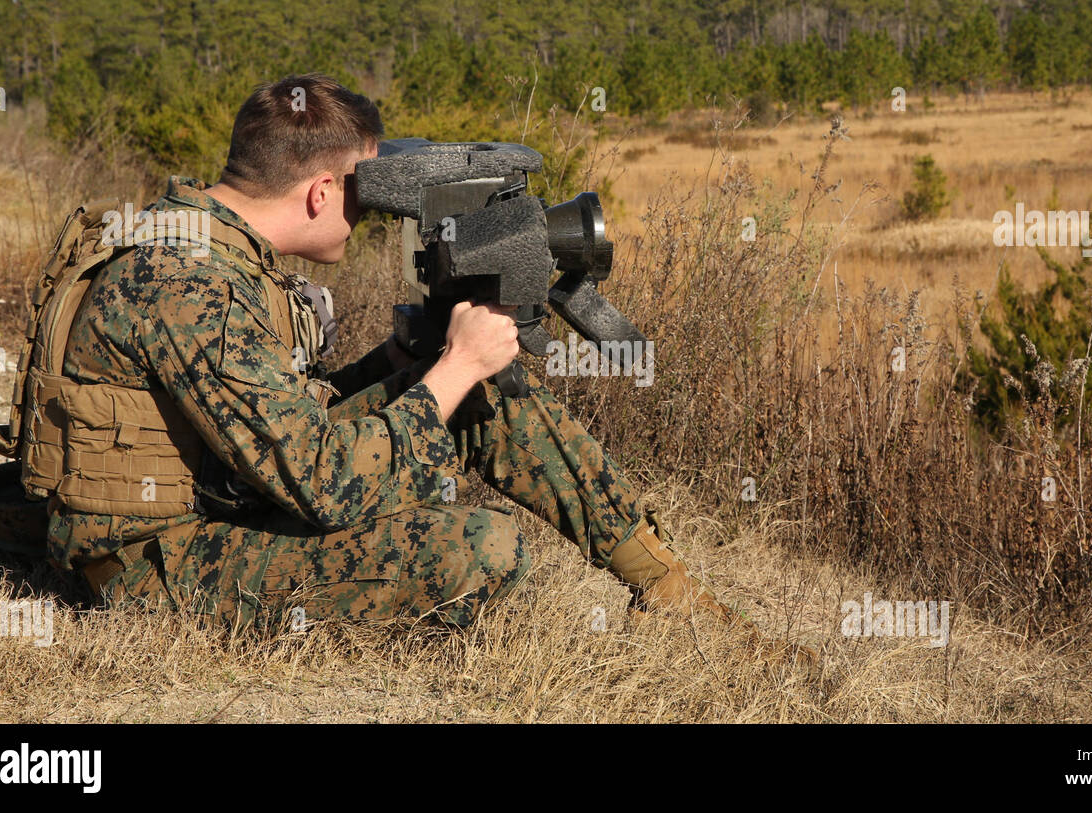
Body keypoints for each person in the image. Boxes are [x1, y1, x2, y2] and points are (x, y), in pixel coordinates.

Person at [45, 73, 811, 667]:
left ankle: (669, 590)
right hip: (152, 566)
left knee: (480, 392)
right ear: (319, 192)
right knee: (480, 547)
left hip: (222, 494)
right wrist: (448, 369)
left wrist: (411, 367)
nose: (372, 209)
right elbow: (319, 480)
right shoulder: (188, 286)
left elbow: (271, 422)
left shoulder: (204, 244)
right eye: (363, 192)